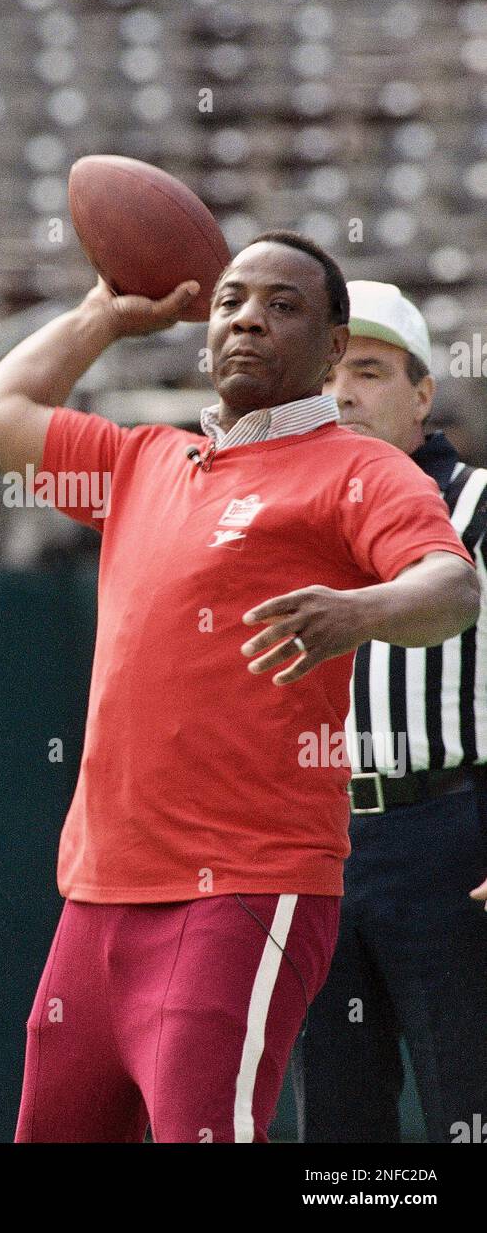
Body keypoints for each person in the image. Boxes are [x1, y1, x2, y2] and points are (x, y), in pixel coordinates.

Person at [0, 232, 480, 1143]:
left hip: (244, 883)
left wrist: (357, 614)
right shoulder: (145, 462)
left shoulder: (359, 468)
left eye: (283, 306)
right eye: (233, 299)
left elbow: (452, 585)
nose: (248, 318)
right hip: (98, 889)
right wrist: (103, 315)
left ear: (329, 351)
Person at [291, 280, 487, 1143]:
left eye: (368, 371)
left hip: (450, 830)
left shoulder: (479, 504)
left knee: (467, 1103)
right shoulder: (284, 518)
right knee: (337, 1123)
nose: (342, 394)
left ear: (421, 394)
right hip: (316, 842)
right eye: (328, 373)